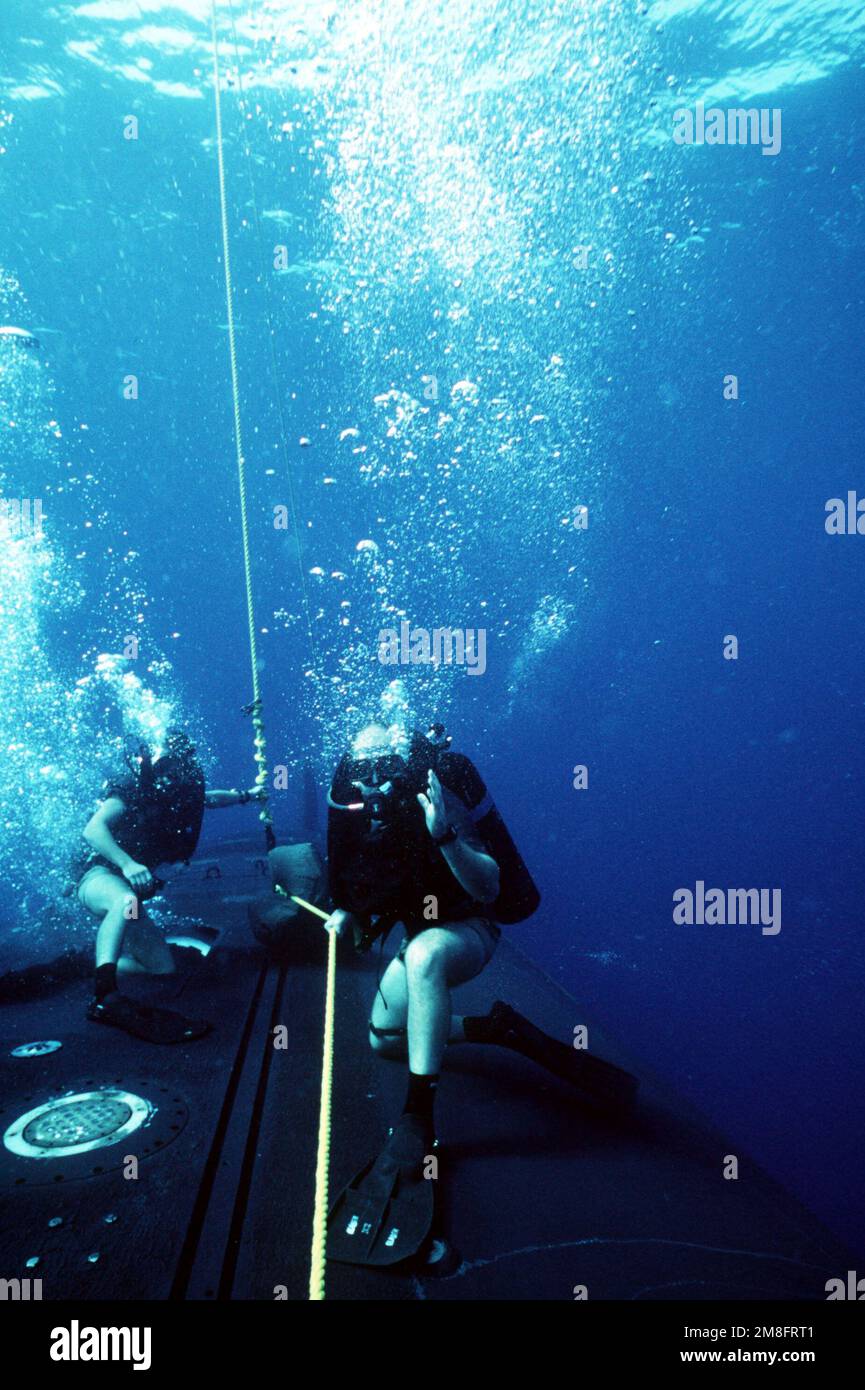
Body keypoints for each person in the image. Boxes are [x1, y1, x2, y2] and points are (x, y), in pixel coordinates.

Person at [326, 722, 637, 1165]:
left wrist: (444, 835)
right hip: (421, 929)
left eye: (384, 765)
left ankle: (418, 1116)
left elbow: (490, 887)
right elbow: (361, 877)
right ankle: (496, 1029)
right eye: (363, 766)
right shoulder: (359, 804)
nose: (372, 778)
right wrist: (348, 912)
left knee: (424, 956)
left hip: (471, 928)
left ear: (401, 761)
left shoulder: (437, 789)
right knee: (383, 1038)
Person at [75, 728, 263, 1041]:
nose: (179, 773)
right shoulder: (130, 791)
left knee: (161, 967)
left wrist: (246, 796)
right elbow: (92, 831)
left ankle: (94, 962)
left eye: (185, 765)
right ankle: (104, 997)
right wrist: (128, 864)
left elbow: (208, 800)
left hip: (126, 888)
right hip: (96, 875)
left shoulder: (177, 792)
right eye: (174, 765)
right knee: (126, 903)